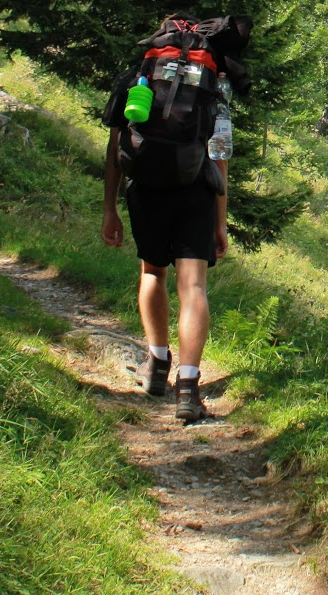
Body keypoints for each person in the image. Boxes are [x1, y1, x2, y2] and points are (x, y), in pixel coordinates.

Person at [101, 75, 229, 424]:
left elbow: (116, 149)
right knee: (193, 287)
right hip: (197, 191)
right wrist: (220, 221)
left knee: (152, 271)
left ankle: (157, 366)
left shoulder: (135, 76)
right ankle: (187, 389)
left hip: (146, 189)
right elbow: (219, 153)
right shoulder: (212, 84)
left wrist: (110, 209)